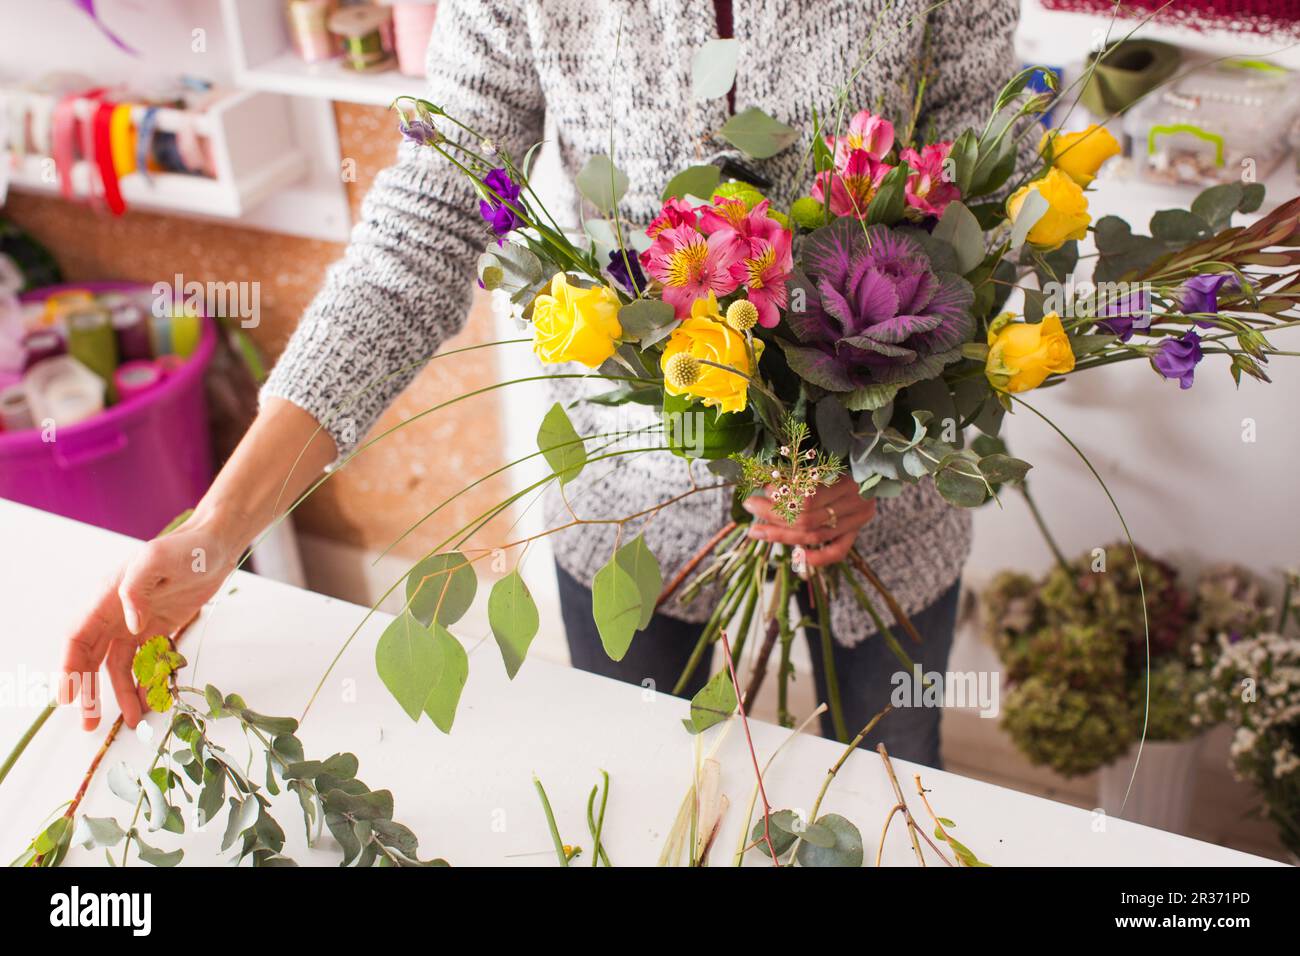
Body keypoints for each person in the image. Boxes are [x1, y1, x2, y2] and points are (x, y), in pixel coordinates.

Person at [60, 0, 1022, 767]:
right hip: (630, 511)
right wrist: (215, 529)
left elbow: (982, 212)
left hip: (883, 508)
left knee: (895, 783)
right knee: (640, 793)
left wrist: (873, 451)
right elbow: (424, 232)